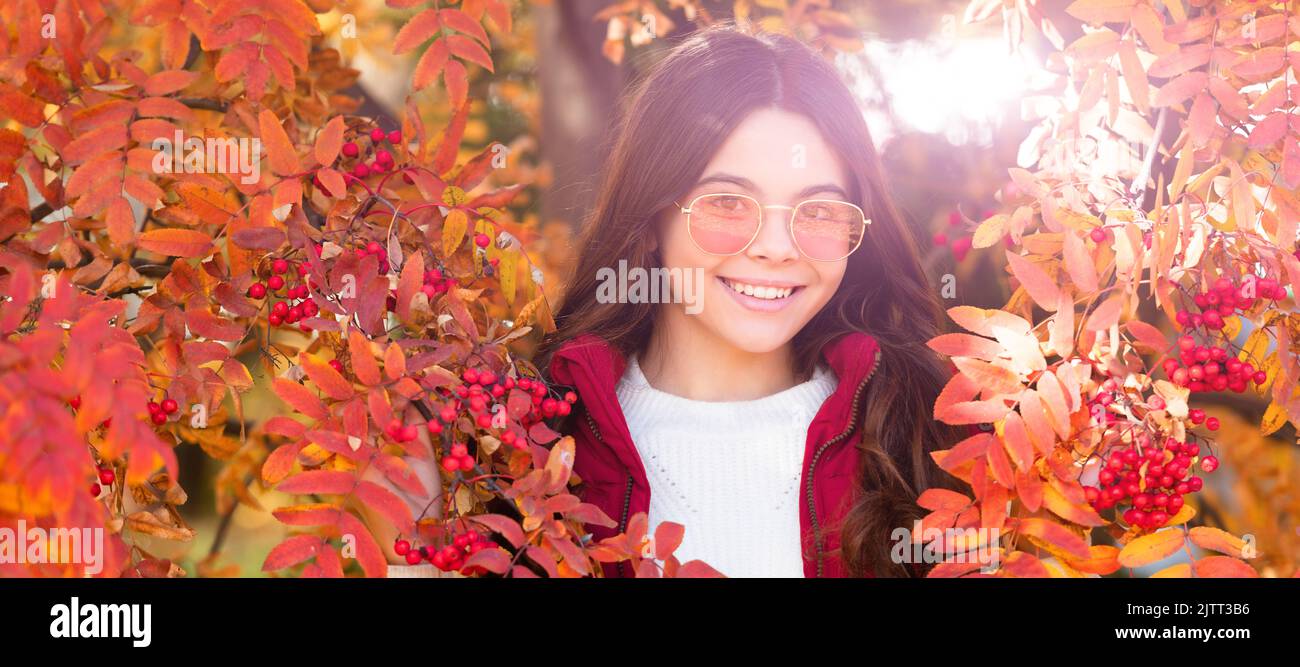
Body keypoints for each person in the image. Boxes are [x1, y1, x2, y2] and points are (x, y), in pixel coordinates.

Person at [533, 22, 969, 578]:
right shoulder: (536, 441)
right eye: (728, 202)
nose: (776, 249)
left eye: (817, 210)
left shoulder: (932, 442)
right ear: (652, 214)